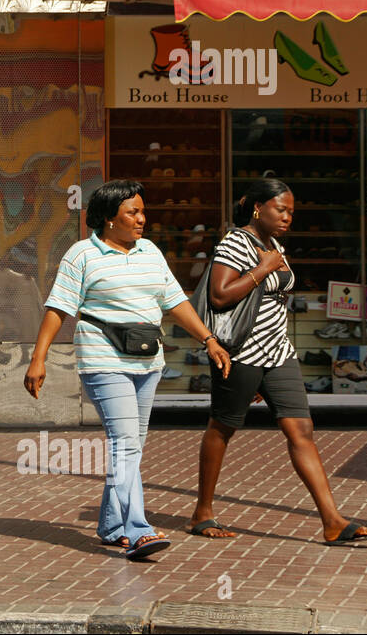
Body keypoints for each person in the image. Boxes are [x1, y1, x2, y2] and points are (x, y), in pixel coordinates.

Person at [24, 179, 230, 561]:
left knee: (131, 446)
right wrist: (39, 358)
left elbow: (174, 301)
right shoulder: (82, 254)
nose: (141, 219)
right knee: (125, 444)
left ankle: (110, 524)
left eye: (141, 210)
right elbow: (59, 307)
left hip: (148, 362)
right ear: (107, 219)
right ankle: (138, 529)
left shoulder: (150, 251)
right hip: (104, 362)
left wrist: (208, 340)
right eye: (132, 212)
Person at [189, 179, 367, 546]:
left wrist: (269, 263)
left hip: (278, 352)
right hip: (242, 352)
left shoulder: (274, 245)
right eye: (281, 209)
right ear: (258, 208)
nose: (287, 217)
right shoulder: (235, 242)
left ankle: (332, 520)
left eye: (292, 212)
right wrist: (262, 269)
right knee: (222, 428)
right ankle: (202, 511)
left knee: (301, 430)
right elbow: (218, 296)